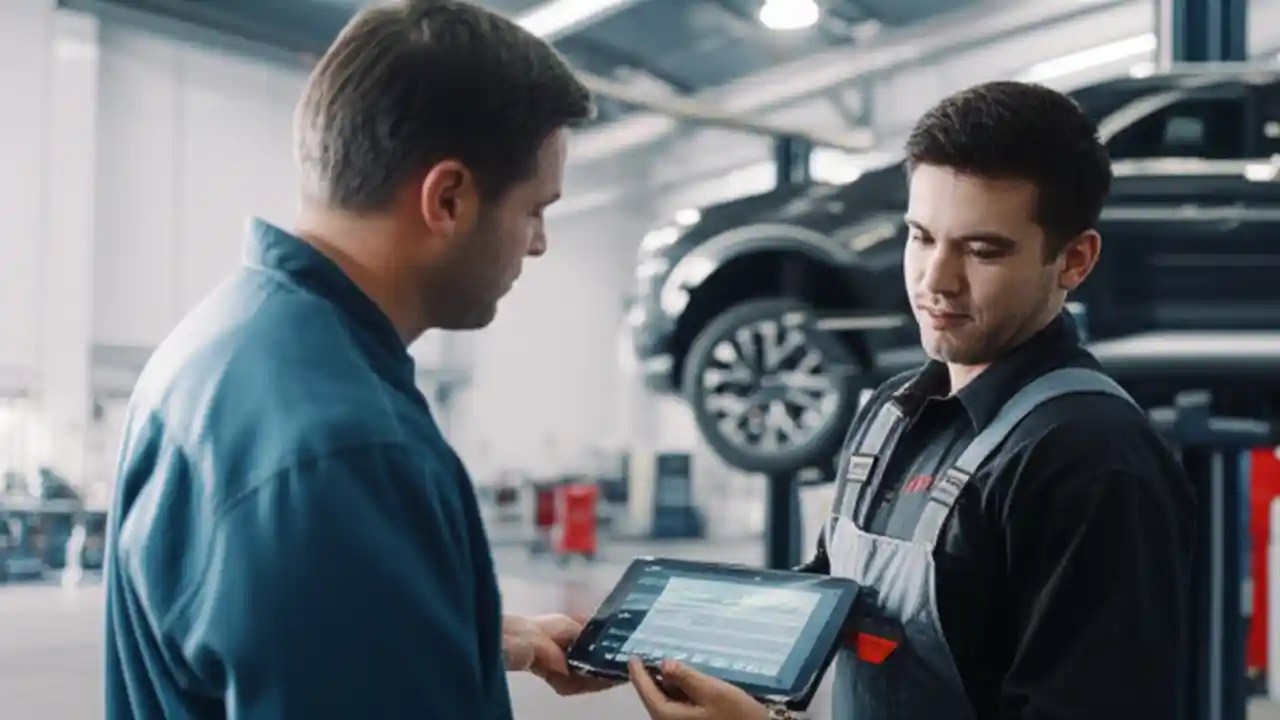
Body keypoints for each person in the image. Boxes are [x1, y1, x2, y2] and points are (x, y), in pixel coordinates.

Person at [103, 1, 615, 717]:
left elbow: (266, 634)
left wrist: (470, 636)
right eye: (535, 209)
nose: (537, 244)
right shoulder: (347, 449)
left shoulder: (214, 344)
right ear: (449, 199)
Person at [630, 81, 1194, 719]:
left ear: (1073, 260)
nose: (936, 281)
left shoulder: (1093, 460)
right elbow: (840, 594)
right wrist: (652, 641)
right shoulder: (891, 412)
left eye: (981, 250)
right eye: (922, 237)